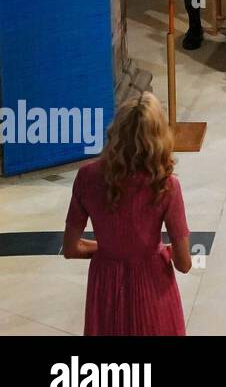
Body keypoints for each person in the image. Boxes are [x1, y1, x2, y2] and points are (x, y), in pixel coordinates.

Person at [62, 93, 191, 336]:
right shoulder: (166, 185)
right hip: (153, 287)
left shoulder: (87, 177)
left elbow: (71, 248)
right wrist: (161, 251)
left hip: (106, 285)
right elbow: (184, 263)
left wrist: (112, 249)